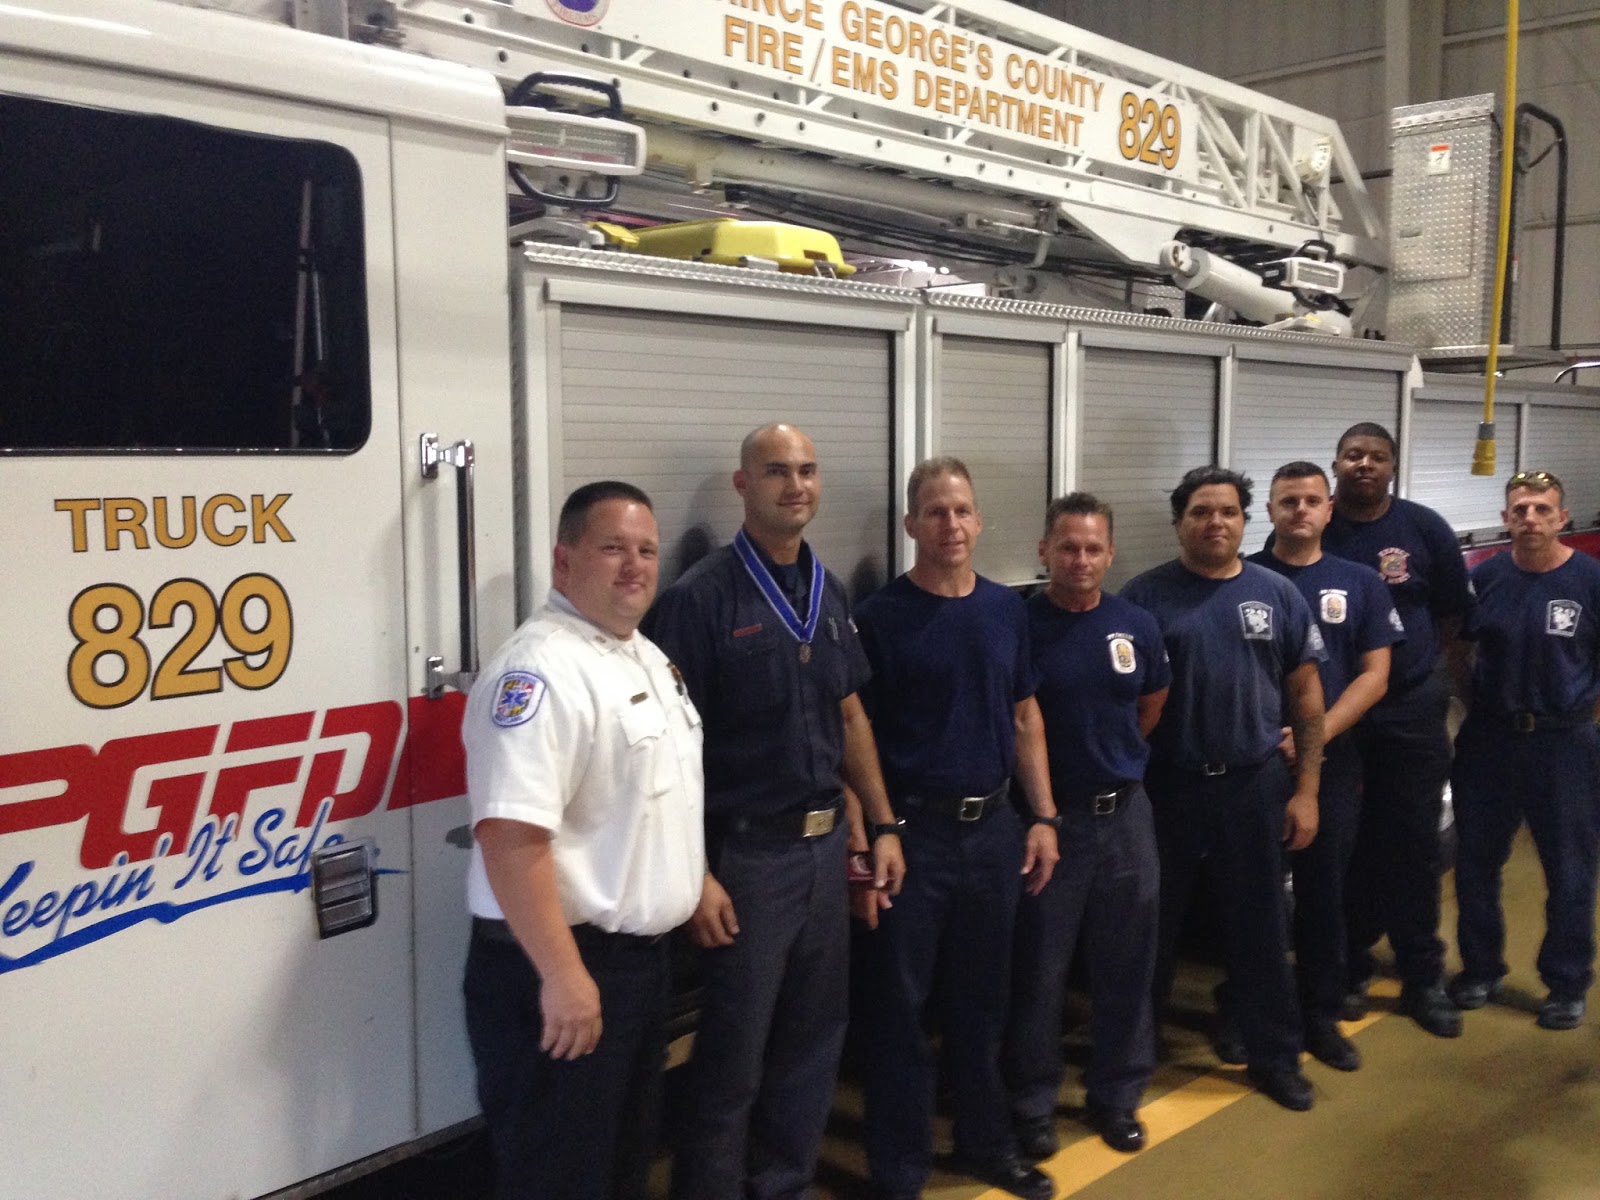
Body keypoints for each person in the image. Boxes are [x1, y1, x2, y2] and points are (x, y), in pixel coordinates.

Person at [646, 423, 906, 1200]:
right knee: (732, 1056)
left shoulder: (826, 593)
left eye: (807, 471)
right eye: (776, 472)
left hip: (826, 854)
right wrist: (693, 870)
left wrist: (882, 823)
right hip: (748, 862)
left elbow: (850, 717)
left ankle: (782, 1184)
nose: (796, 486)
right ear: (742, 486)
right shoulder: (700, 600)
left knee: (813, 1042)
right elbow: (668, 751)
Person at [461, 481, 705, 1200]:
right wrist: (565, 978)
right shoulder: (538, 671)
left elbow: (654, 796)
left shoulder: (645, 658)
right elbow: (510, 838)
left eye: (647, 550)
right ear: (565, 563)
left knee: (620, 1167)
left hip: (634, 971)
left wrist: (696, 878)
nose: (634, 566)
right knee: (559, 1176)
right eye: (613, 549)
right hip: (563, 968)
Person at [854, 457, 1061, 1200]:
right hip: (914, 838)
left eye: (962, 511)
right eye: (935, 512)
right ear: (911, 524)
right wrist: (875, 831)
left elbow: (1025, 714)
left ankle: (985, 1145)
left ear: (979, 521)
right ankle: (899, 1169)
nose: (951, 525)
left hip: (995, 830)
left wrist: (1041, 816)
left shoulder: (1006, 609)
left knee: (984, 1004)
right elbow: (857, 737)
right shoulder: (880, 618)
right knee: (900, 1011)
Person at [1122, 466, 1325, 1112]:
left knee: (1263, 932)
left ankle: (1276, 1058)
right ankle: (1130, 1068)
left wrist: (1307, 790)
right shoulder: (1144, 598)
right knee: (1148, 935)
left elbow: (1306, 696)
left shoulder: (1279, 595)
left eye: (1228, 512)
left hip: (1254, 787)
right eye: (1201, 512)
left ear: (1246, 521)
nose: (1215, 522)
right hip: (1166, 789)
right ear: (1179, 522)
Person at [1002, 493, 1169, 1157]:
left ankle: (1117, 1096)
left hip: (1126, 818)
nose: (1080, 560)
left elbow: (1151, 706)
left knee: (1127, 969)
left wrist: (1115, 765)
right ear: (1044, 551)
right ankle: (1032, 1104)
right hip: (1050, 823)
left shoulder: (1137, 625)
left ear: (1110, 553)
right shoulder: (1019, 626)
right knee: (1040, 973)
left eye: (1093, 548)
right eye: (1067, 547)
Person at [1312, 422, 1471, 1038]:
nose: (1364, 465)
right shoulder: (1315, 527)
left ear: (1393, 467)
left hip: (1407, 709)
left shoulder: (1423, 528)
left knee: (1411, 844)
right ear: (1337, 463)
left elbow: (1453, 614)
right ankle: (1348, 963)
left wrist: (1426, 674)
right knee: (1344, 844)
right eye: (1353, 454)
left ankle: (1421, 975)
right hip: (1336, 716)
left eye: (1376, 456)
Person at [1246, 461, 1403, 1071]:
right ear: (1271, 510)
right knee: (1252, 897)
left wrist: (1314, 734)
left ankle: (1321, 1014)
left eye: (1312, 500)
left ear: (1329, 508)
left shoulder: (1360, 581)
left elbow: (1376, 674)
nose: (1301, 511)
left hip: (1330, 762)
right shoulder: (1244, 576)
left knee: (1323, 893)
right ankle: (1248, 1010)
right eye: (1288, 501)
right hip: (1254, 766)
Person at [1449, 469, 1600, 1031]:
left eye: (1542, 509)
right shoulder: (1485, 580)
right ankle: (1481, 969)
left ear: (1562, 518)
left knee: (1570, 869)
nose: (1530, 519)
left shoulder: (1590, 580)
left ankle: (1565, 983)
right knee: (1476, 863)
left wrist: (1582, 718)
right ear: (1506, 518)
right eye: (1520, 510)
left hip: (1566, 744)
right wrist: (1477, 707)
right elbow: (1458, 652)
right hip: (1490, 739)